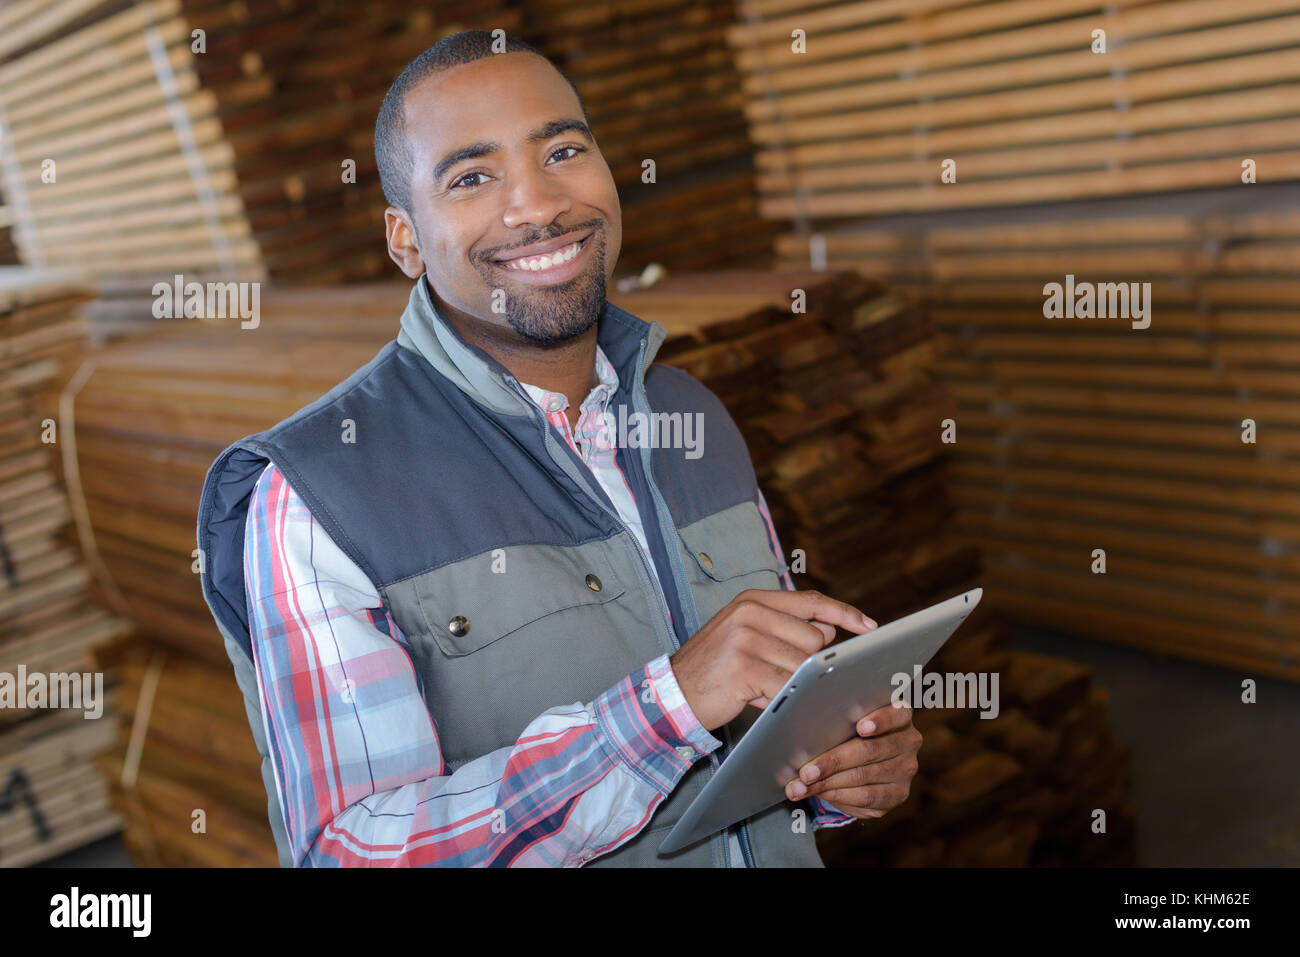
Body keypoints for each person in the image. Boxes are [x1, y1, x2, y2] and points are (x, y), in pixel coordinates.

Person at [196, 30, 921, 867]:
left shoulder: (692, 416)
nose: (537, 206)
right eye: (472, 177)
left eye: (564, 150)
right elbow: (346, 853)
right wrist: (666, 706)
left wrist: (837, 768)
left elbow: (762, 724)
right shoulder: (317, 493)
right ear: (404, 239)